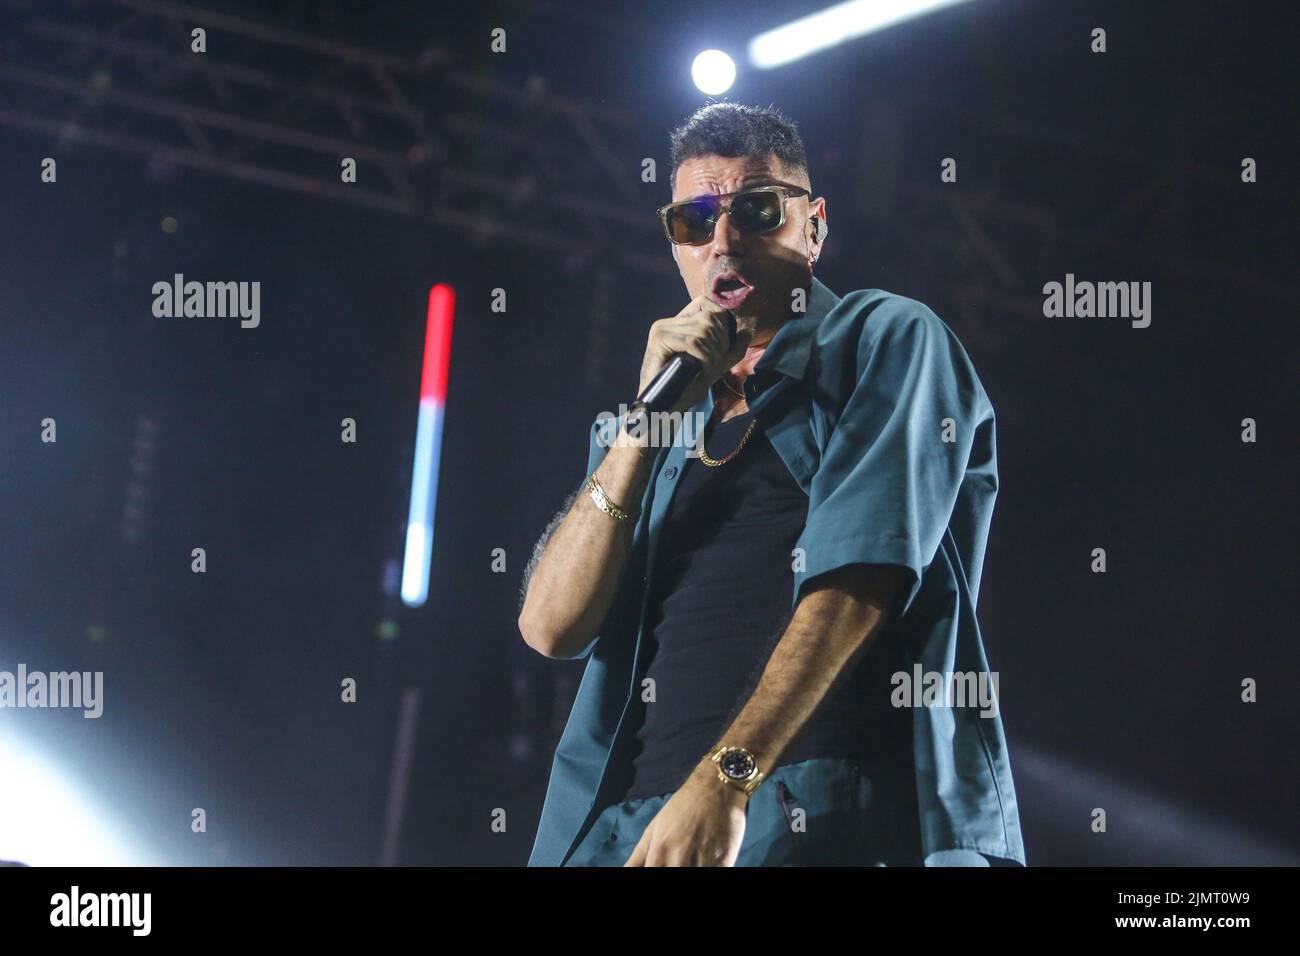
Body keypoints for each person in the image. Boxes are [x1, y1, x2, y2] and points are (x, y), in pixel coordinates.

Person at [518, 102, 1025, 867]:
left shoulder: (884, 338)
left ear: (814, 227)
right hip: (627, 831)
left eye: (756, 210)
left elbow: (866, 573)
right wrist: (643, 427)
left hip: (807, 803)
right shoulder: (654, 421)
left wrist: (727, 780)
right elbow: (552, 627)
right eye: (694, 220)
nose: (723, 240)